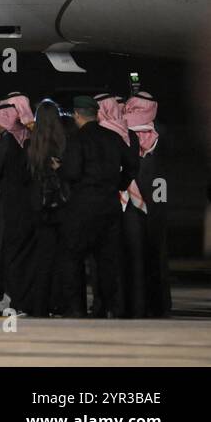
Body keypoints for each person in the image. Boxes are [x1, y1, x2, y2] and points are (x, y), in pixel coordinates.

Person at [56, 95, 137, 318]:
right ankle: (110, 307)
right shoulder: (113, 138)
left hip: (83, 206)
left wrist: (59, 169)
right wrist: (119, 184)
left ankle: (77, 308)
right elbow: (132, 166)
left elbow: (72, 172)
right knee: (107, 260)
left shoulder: (77, 139)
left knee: (74, 257)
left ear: (77, 115)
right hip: (110, 206)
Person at [0, 94, 35, 316]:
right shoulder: (30, 138)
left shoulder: (9, 141)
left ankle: (10, 299)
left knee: (9, 253)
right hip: (29, 205)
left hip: (11, 207)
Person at [125, 91, 171, 317]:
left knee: (134, 254)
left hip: (133, 201)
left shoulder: (124, 130)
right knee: (157, 253)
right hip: (158, 201)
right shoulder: (161, 131)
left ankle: (137, 303)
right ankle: (160, 304)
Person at [97, 92, 142, 317]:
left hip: (106, 201)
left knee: (107, 256)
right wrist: (122, 184)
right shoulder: (129, 134)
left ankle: (107, 306)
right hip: (125, 200)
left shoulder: (102, 134)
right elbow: (133, 166)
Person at [23, 100, 69, 316]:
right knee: (60, 259)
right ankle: (57, 302)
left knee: (41, 258)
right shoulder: (63, 144)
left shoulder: (32, 144)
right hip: (59, 208)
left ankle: (39, 303)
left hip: (37, 207)